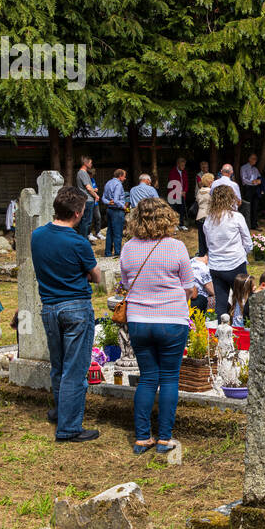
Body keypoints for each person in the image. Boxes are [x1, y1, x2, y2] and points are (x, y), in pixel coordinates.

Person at [120, 198, 195, 456]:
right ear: (167, 217)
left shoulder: (128, 248)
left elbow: (125, 281)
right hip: (171, 319)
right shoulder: (175, 246)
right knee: (170, 378)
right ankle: (164, 438)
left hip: (139, 319)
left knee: (148, 379)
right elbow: (188, 284)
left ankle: (142, 437)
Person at [32, 185, 102, 441]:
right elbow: (96, 276)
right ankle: (70, 427)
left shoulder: (37, 236)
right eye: (83, 210)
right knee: (75, 369)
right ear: (76, 213)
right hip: (75, 306)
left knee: (59, 365)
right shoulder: (78, 242)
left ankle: (61, 410)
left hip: (49, 306)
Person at [203, 184, 252, 322]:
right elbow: (247, 241)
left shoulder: (208, 220)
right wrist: (244, 254)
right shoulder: (236, 217)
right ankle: (241, 329)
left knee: (221, 302)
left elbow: (208, 244)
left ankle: (220, 332)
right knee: (242, 300)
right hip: (235, 262)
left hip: (216, 266)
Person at [102, 168, 128, 256]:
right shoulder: (118, 184)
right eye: (124, 176)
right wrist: (123, 206)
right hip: (117, 211)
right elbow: (116, 200)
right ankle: (117, 253)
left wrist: (108, 202)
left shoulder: (108, 183)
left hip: (109, 210)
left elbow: (103, 198)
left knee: (109, 232)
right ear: (120, 176)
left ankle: (108, 252)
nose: (125, 178)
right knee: (118, 233)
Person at [77, 156, 100, 241]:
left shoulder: (83, 173)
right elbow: (88, 188)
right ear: (85, 163)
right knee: (86, 222)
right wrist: (96, 195)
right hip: (88, 200)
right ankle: (84, 240)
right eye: (90, 163)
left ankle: (85, 239)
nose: (91, 164)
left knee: (86, 221)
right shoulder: (83, 173)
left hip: (87, 199)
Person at [241, 153, 264, 228]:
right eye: (253, 158)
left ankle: (254, 224)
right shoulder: (244, 167)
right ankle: (247, 224)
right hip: (248, 188)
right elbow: (244, 180)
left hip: (256, 189)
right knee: (247, 207)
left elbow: (259, 177)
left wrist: (259, 181)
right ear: (249, 159)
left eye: (256, 159)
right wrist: (252, 182)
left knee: (255, 206)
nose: (255, 160)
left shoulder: (255, 169)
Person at [167, 156, 190, 230]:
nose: (184, 167)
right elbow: (172, 183)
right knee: (174, 210)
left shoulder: (184, 172)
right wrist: (179, 191)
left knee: (181, 210)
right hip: (173, 194)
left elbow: (186, 183)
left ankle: (181, 224)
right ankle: (174, 225)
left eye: (184, 165)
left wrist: (185, 191)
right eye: (182, 165)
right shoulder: (172, 171)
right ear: (178, 164)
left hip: (182, 194)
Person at [194, 172, 214, 255]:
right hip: (208, 216)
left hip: (200, 216)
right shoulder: (211, 192)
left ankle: (202, 255)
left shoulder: (199, 191)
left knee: (201, 239)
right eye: (213, 180)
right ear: (210, 182)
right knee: (210, 239)